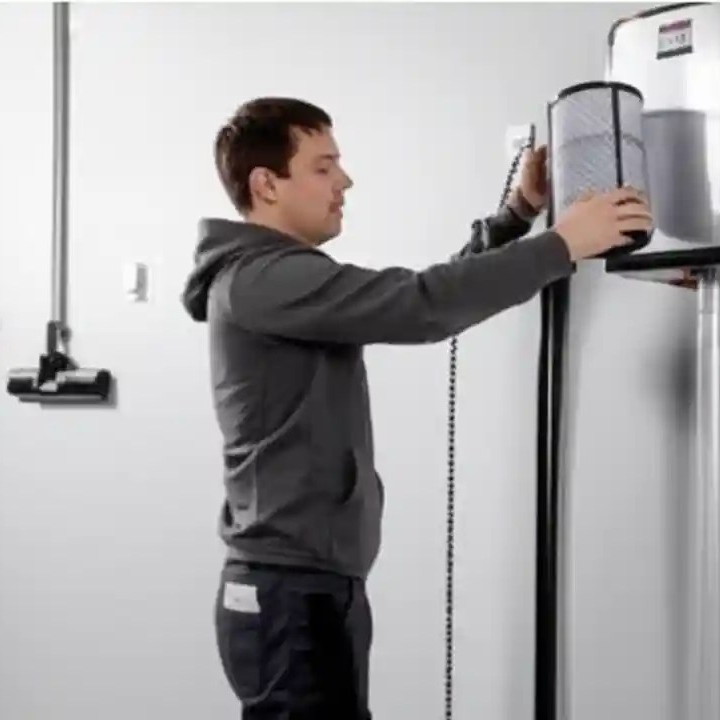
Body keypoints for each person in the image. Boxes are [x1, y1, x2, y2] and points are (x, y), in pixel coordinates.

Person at [181, 97, 652, 718]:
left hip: (309, 584)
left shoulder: (279, 279)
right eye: (323, 167)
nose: (344, 181)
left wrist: (516, 216)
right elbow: (420, 304)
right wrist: (562, 243)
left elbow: (421, 295)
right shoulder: (260, 281)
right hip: (289, 593)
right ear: (266, 184)